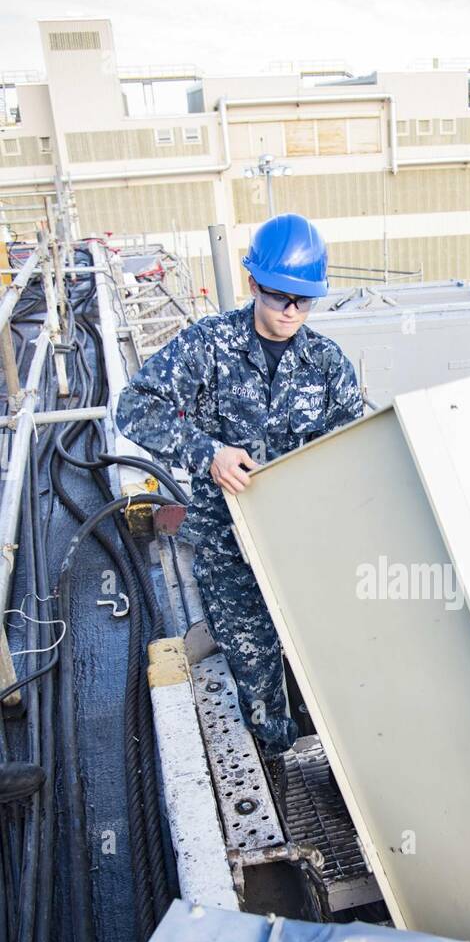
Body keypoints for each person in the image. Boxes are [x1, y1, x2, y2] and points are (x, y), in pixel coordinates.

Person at [116, 213, 362, 757]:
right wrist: (208, 453)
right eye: (281, 298)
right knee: (254, 667)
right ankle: (274, 756)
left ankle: (336, 762)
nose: (293, 311)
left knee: (322, 660)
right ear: (253, 284)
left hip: (305, 552)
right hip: (230, 550)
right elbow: (133, 408)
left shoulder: (328, 366)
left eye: (305, 300)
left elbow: (348, 458)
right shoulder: (209, 345)